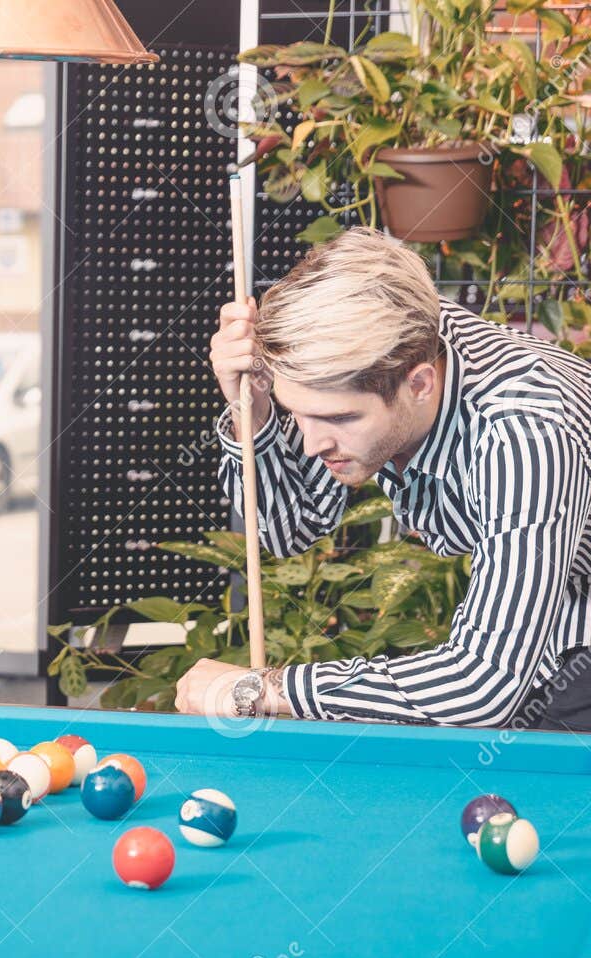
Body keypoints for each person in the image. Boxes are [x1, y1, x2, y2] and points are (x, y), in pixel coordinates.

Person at [178, 227, 591, 730]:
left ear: (419, 384)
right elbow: (288, 529)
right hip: (559, 622)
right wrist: (254, 408)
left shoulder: (526, 430)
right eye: (298, 414)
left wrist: (258, 689)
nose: (310, 444)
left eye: (338, 420)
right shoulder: (381, 338)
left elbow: (482, 685)